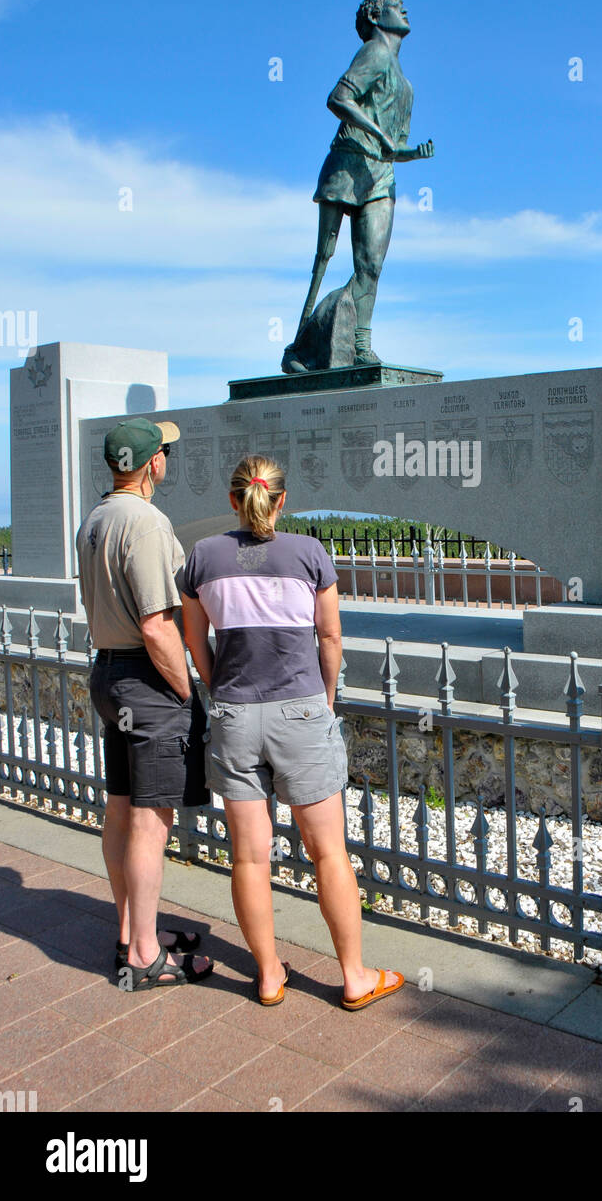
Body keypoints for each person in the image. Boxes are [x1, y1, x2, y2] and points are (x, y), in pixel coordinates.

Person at [180, 454, 404, 1010]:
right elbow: (330, 638)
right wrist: (323, 700)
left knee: (249, 857)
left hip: (234, 715)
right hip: (300, 711)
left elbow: (194, 640)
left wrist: (218, 689)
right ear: (281, 501)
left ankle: (269, 975)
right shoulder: (308, 552)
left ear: (233, 500)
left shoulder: (202, 558)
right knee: (329, 851)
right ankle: (353, 977)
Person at [76, 416, 213, 990]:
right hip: (146, 678)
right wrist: (186, 690)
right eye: (166, 456)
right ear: (152, 464)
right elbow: (159, 626)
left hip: (108, 672)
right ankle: (144, 957)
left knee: (121, 809)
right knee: (149, 822)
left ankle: (132, 930)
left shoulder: (96, 518)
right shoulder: (148, 523)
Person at [282, 0, 434, 372]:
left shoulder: (406, 84)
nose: (404, 9)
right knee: (323, 259)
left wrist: (411, 152)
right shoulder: (375, 52)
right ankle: (296, 350)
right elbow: (338, 99)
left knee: (371, 264)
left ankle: (361, 343)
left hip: (381, 174)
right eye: (395, 7)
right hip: (348, 164)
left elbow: (392, 146)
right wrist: (378, 134)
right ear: (376, 18)